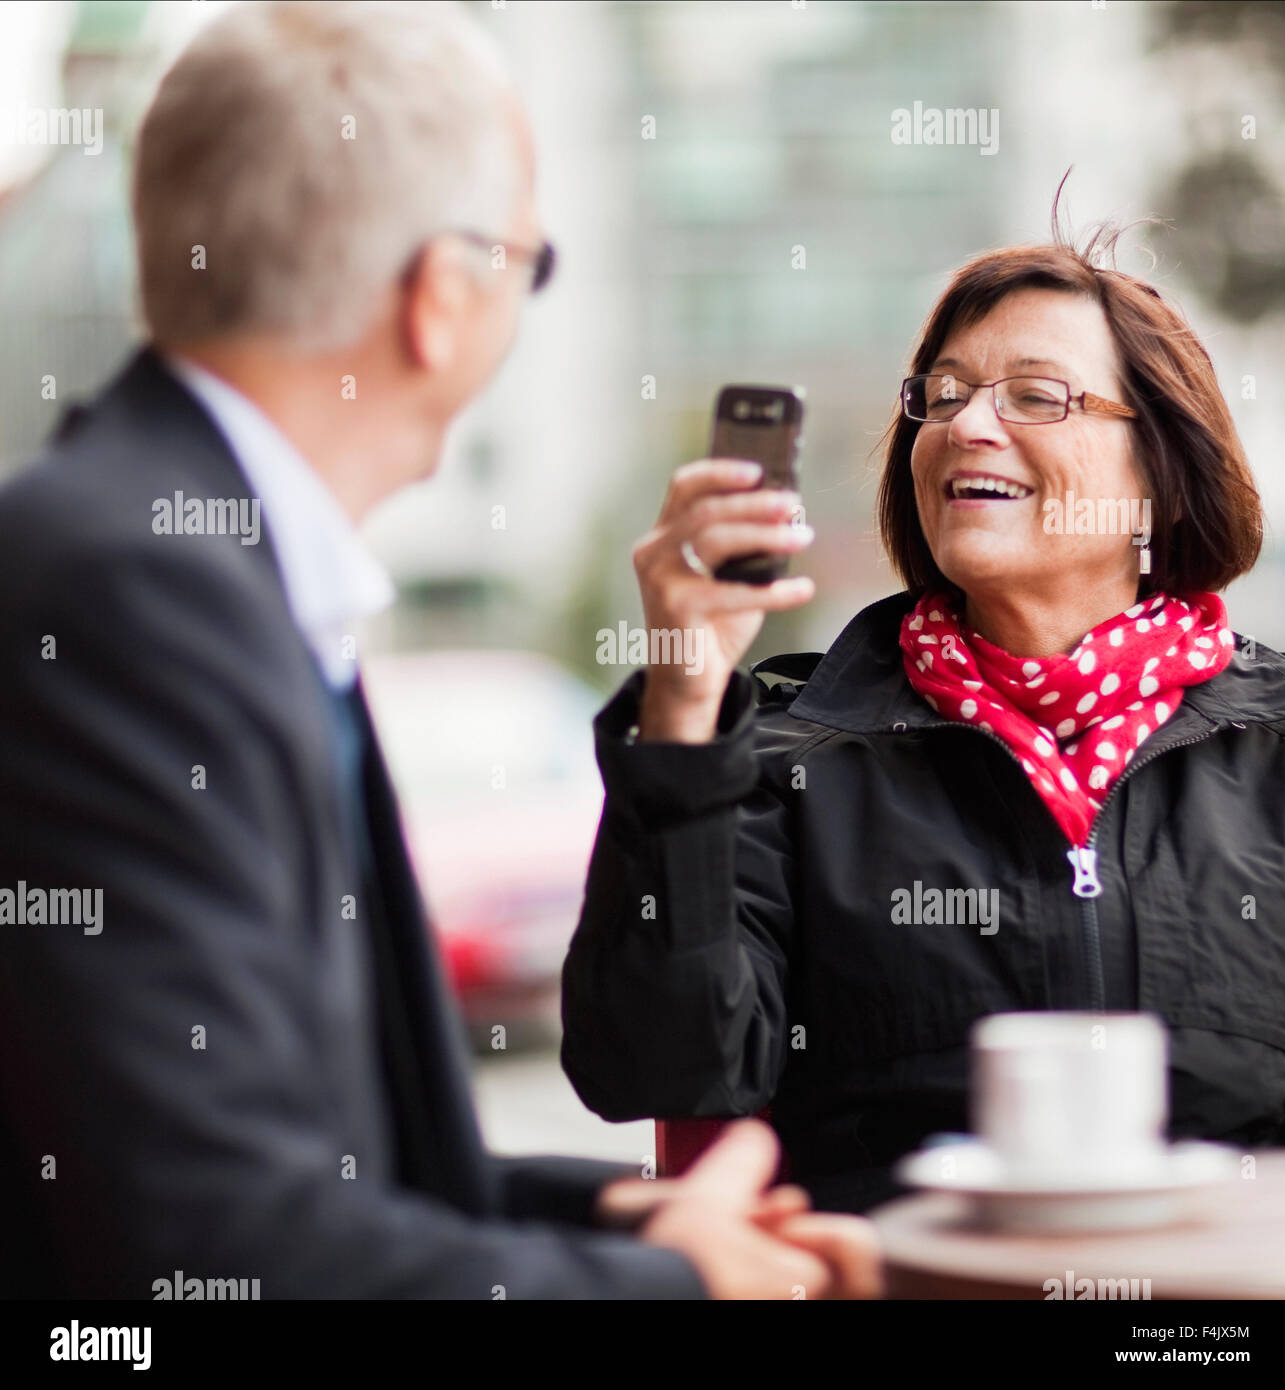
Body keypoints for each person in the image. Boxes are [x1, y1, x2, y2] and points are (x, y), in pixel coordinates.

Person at [0, 1, 880, 1300]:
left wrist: (635, 1228)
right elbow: (205, 1242)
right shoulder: (140, 588)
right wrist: (676, 1290)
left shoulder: (208, 565)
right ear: (441, 296)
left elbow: (351, 1172)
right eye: (533, 263)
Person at [560, 215, 1285, 1215]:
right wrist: (685, 704)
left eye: (1035, 396)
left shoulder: (1282, 751)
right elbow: (653, 1067)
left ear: (1161, 479)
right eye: (942, 395)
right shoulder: (788, 756)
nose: (964, 426)